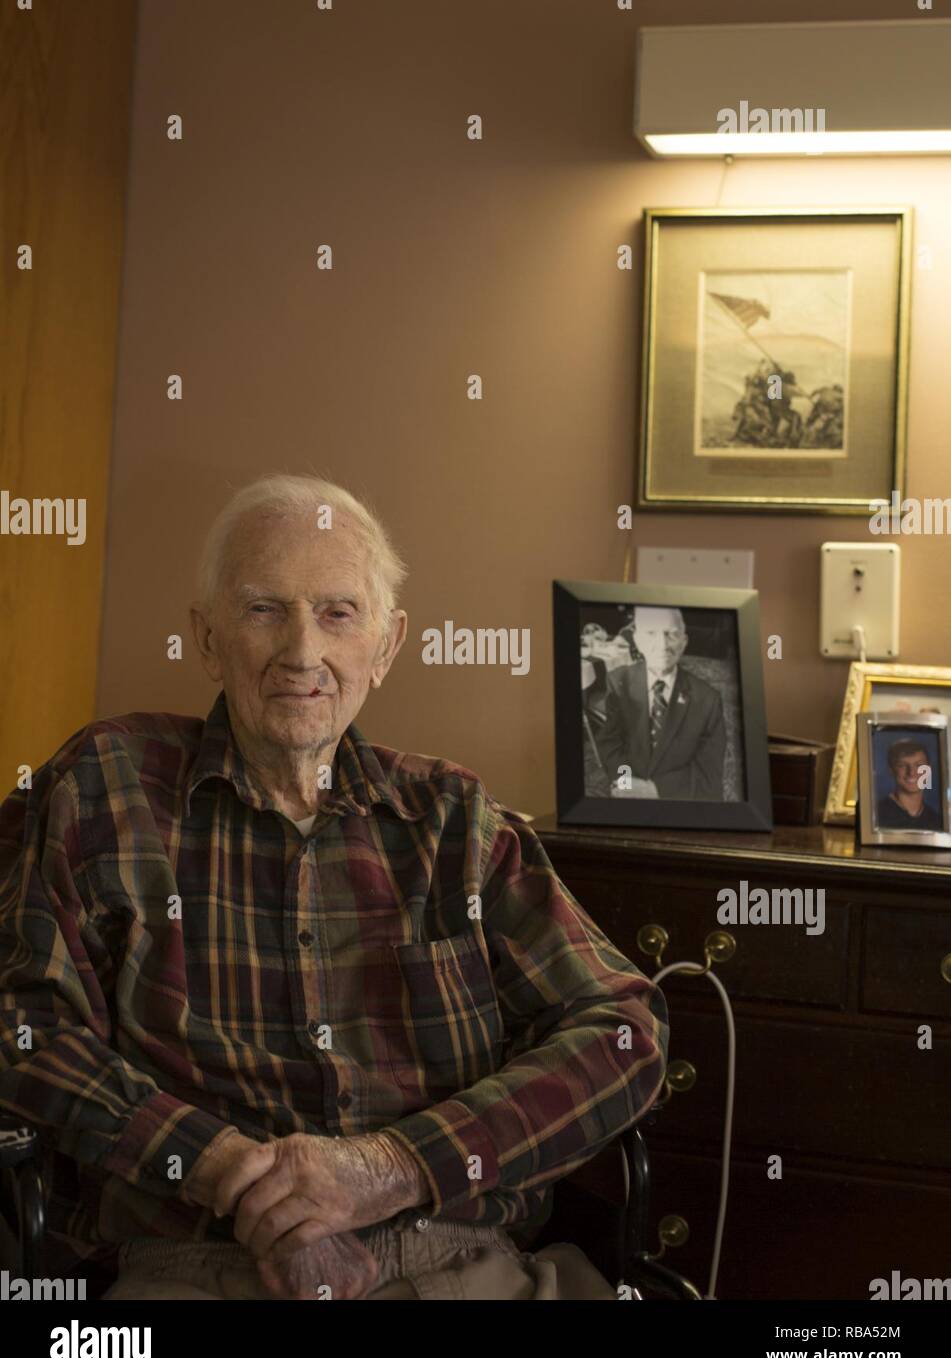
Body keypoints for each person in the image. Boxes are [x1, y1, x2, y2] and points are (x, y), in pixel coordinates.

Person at [0, 475, 668, 1301]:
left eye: (337, 613)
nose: (302, 652)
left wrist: (388, 1169)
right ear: (206, 640)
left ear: (385, 647)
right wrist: (230, 1174)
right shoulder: (106, 785)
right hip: (201, 1268)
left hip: (459, 1261)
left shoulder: (453, 820)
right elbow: (20, 1022)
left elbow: (623, 1034)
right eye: (262, 610)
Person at [597, 606, 726, 801]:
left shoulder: (708, 700)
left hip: (680, 803)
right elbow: (611, 743)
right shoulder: (618, 682)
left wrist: (656, 790)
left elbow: (710, 774)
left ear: (684, 642)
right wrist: (626, 783)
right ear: (637, 641)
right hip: (628, 795)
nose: (663, 644)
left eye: (672, 634)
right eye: (651, 633)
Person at [875, 737, 943, 830]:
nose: (911, 772)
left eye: (919, 765)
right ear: (891, 770)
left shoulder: (937, 820)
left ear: (928, 770)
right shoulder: (876, 814)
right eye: (902, 765)